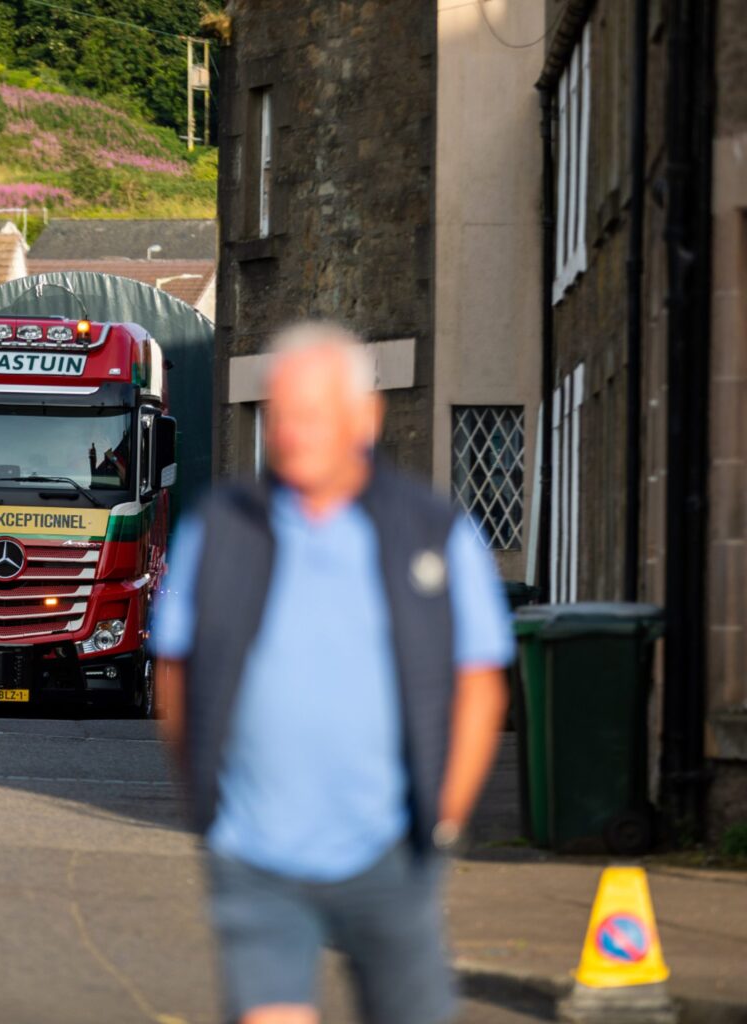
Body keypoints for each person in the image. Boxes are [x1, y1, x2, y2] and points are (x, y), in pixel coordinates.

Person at [152, 320, 512, 1024]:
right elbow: (176, 668)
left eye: (311, 415)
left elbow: (480, 682)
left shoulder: (430, 531)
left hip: (392, 847)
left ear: (364, 418)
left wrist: (444, 817)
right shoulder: (222, 527)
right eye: (279, 415)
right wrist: (209, 799)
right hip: (255, 850)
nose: (290, 433)